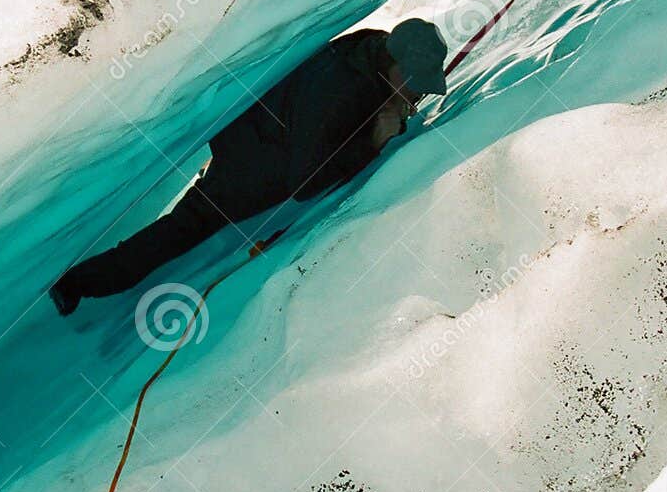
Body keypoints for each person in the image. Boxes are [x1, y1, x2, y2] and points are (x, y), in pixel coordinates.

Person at [50, 18, 448, 315]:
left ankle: (80, 281)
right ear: (395, 62)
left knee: (177, 231)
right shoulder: (343, 89)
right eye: (414, 82)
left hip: (248, 142)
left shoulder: (370, 51)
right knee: (177, 233)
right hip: (245, 176)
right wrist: (374, 142)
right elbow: (306, 183)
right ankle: (76, 284)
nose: (416, 91)